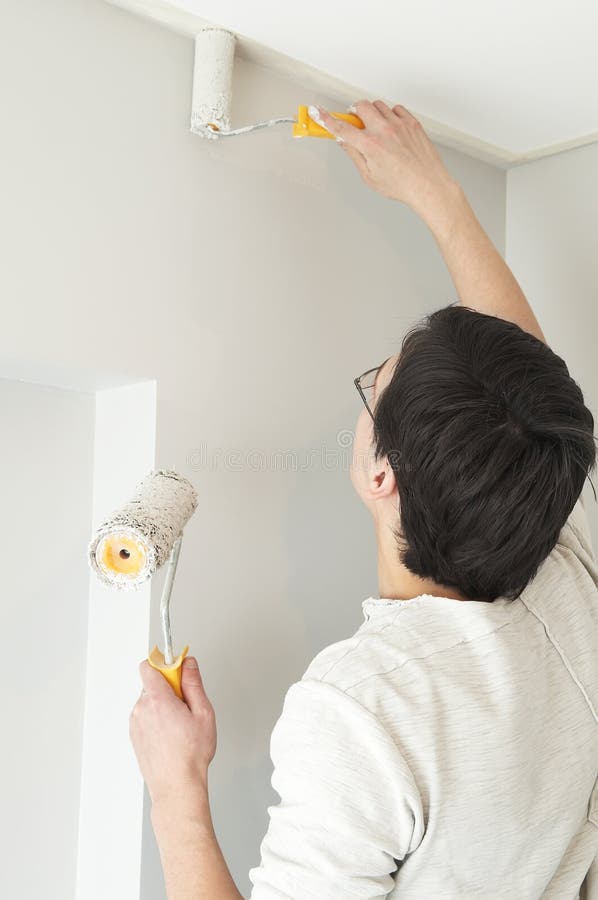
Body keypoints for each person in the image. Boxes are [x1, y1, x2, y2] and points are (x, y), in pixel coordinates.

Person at [129, 100, 598, 900]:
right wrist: (436, 195)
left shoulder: (364, 708)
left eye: (371, 389)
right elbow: (526, 384)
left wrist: (175, 792)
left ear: (385, 475)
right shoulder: (560, 570)